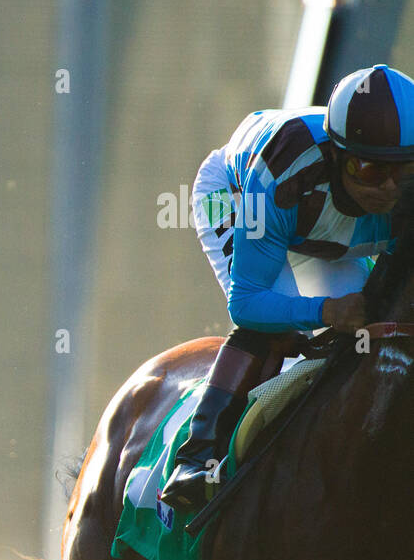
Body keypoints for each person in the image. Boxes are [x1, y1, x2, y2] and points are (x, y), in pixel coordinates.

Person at [159, 63, 414, 510]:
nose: (390, 188)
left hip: (320, 224)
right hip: (238, 195)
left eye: (404, 170)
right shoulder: (280, 175)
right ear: (336, 154)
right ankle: (198, 458)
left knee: (365, 329)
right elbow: (247, 303)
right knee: (276, 326)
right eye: (370, 170)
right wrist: (326, 311)